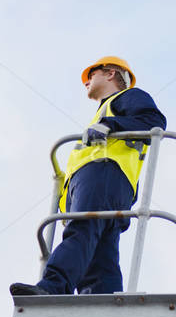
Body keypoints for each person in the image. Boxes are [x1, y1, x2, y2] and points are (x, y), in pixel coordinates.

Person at [9, 56, 166, 298]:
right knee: (101, 255)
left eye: (91, 75)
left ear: (111, 73)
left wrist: (110, 125)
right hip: (106, 182)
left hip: (104, 173)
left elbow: (154, 122)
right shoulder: (102, 113)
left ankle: (52, 288)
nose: (86, 82)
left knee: (82, 230)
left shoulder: (126, 98)